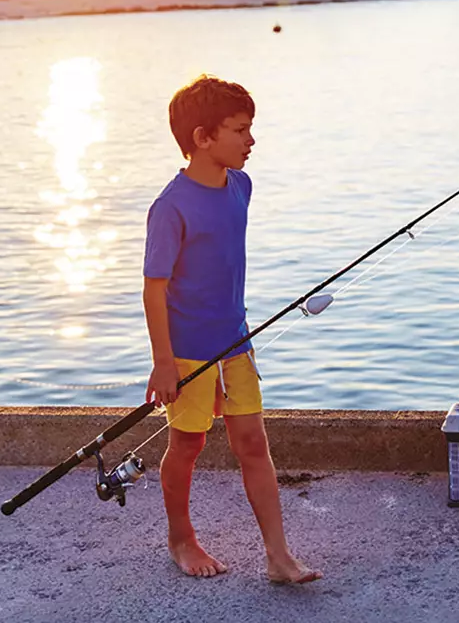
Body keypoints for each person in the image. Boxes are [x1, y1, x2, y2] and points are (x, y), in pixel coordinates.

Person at [143, 75, 321, 583]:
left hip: (237, 344)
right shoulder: (170, 207)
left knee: (252, 443)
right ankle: (181, 538)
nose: (251, 140)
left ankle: (278, 556)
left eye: (250, 129)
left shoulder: (241, 186)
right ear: (202, 138)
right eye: (240, 130)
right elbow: (154, 289)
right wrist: (163, 362)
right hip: (189, 353)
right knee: (187, 445)